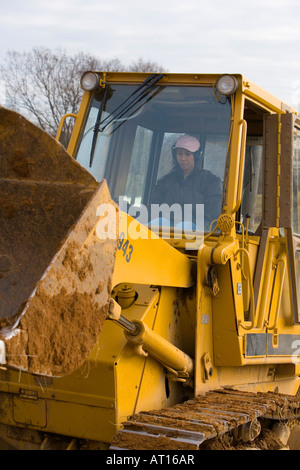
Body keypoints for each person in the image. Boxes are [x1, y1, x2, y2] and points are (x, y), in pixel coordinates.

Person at [150, 135, 222, 231]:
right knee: (153, 225)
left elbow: (213, 217)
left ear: (196, 156)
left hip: (198, 230)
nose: (183, 158)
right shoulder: (166, 181)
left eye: (187, 154)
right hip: (170, 225)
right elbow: (154, 207)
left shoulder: (210, 182)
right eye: (180, 154)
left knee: (183, 228)